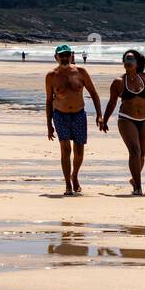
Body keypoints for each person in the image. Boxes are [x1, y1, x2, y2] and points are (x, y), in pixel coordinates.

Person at [101, 49, 145, 197]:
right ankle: (138, 188)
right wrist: (104, 120)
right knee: (135, 152)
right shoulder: (118, 82)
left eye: (131, 59)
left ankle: (134, 180)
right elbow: (112, 103)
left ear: (137, 62)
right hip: (126, 119)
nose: (128, 62)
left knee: (142, 155)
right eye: (126, 59)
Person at [45, 44, 103, 196]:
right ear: (56, 57)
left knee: (79, 152)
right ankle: (67, 184)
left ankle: (75, 175)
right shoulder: (51, 76)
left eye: (67, 55)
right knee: (65, 150)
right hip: (60, 115)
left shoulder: (81, 72)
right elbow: (48, 101)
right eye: (61, 55)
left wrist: (99, 115)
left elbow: (94, 94)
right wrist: (49, 124)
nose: (64, 58)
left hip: (79, 115)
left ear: (71, 56)